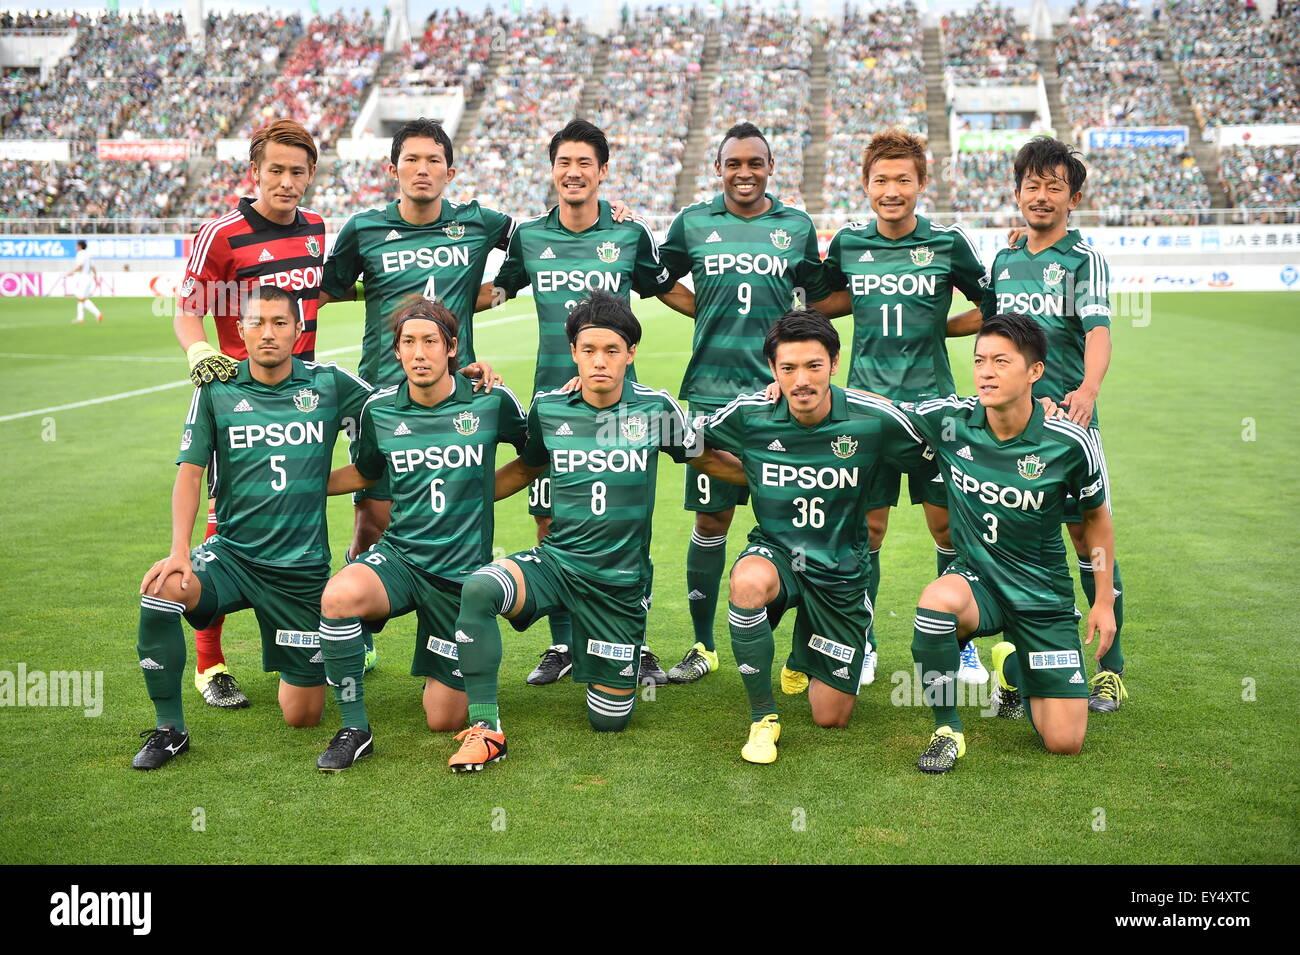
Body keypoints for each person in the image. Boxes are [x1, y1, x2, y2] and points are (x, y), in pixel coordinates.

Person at [445, 290, 742, 772]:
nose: (599, 361)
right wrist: (461, 499)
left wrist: (773, 482)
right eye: (588, 350)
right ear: (574, 353)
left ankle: (599, 646)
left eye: (611, 350)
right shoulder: (549, 408)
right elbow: (525, 469)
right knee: (480, 587)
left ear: (630, 354)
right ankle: (486, 729)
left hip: (618, 585)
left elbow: (708, 459)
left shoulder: (656, 409)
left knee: (608, 721)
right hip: (558, 564)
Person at [480, 118, 693, 688]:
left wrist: (727, 315)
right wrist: (435, 296)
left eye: (584, 164)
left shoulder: (630, 234)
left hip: (619, 406)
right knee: (550, 522)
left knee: (629, 527)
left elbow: (663, 287)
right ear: (552, 171)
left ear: (603, 171)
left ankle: (635, 640)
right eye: (563, 163)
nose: (573, 173)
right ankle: (563, 644)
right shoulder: (529, 236)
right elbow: (503, 289)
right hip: (551, 405)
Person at [131, 286, 372, 770]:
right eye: (257, 322)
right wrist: (180, 550)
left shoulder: (329, 383)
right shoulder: (216, 389)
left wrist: (468, 382)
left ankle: (316, 660)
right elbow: (190, 471)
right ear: (239, 331)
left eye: (280, 323)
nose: (268, 333)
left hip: (300, 572)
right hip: (232, 557)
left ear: (299, 331)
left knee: (302, 715)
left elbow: (394, 415)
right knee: (162, 588)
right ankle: (169, 729)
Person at [697, 309, 936, 764]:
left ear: (835, 363)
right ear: (772, 370)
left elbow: (941, 451)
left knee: (832, 717)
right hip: (777, 552)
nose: (800, 380)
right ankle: (763, 718)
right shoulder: (752, 413)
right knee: (747, 583)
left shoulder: (874, 417)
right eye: (788, 368)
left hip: (841, 572)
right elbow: (687, 441)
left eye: (813, 366)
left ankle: (804, 648)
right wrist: (750, 474)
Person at [313, 297, 528, 772]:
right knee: (339, 596)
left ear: (452, 348)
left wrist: (481, 492)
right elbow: (366, 472)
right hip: (401, 560)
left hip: (460, 579)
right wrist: (307, 485)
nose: (419, 352)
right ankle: (354, 726)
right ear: (396, 352)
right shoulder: (380, 410)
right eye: (408, 342)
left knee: (442, 718)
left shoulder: (491, 400)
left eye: (430, 341)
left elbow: (537, 455)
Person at [895, 313, 1115, 773]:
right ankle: (947, 730)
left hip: (1043, 595)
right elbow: (883, 410)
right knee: (936, 602)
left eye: (1000, 361)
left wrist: (1103, 602)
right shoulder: (950, 420)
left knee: (1064, 741)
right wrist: (807, 390)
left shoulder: (1069, 441)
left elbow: (1095, 520)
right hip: (978, 583)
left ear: (1034, 371)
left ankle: (1014, 669)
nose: (986, 372)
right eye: (979, 361)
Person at [657, 121, 834, 684]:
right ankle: (703, 645)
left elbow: (817, 298)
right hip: (710, 396)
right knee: (712, 522)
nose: (744, 173)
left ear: (770, 168)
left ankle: (806, 651)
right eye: (733, 163)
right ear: (719, 169)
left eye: (754, 163)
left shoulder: (796, 227)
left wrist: (795, 361)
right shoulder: (693, 223)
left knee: (800, 524)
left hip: (782, 399)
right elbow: (658, 278)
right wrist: (704, 309)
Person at [817, 127, 988, 687]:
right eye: (881, 179)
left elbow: (995, 303)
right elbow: (817, 300)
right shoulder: (847, 244)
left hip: (937, 410)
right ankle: (863, 640)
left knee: (949, 529)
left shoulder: (948, 243)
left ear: (922, 184)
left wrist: (942, 325)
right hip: (866, 410)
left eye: (903, 180)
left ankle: (959, 643)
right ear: (865, 184)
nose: (892, 190)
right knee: (867, 530)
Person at [174, 119, 327, 709]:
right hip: (237, 400)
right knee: (228, 521)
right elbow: (188, 309)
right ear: (255, 172)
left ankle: (317, 634)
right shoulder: (224, 234)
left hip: (304, 399)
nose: (287, 182)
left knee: (299, 513)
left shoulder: (315, 228)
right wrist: (200, 351)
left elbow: (317, 290)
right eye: (277, 171)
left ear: (311, 175)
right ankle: (209, 665)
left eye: (298, 172)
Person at [975, 136, 1128, 714]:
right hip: (1013, 428)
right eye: (1032, 186)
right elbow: (994, 333)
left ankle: (1109, 672)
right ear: (1017, 193)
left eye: (1054, 187)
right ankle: (1020, 669)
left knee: (1090, 543)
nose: (1042, 196)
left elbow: (1098, 332)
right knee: (1022, 550)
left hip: (1067, 424)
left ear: (1074, 197)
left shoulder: (1082, 260)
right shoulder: (1006, 258)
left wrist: (1088, 389)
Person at [319, 118, 508, 565]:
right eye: (411, 160)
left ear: (451, 173)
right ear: (392, 170)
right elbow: (324, 291)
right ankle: (358, 626)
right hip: (382, 395)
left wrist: (495, 292)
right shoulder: (363, 229)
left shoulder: (479, 223)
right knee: (373, 521)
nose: (422, 168)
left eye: (434, 160)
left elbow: (542, 238)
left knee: (456, 521)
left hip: (458, 397)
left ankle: (450, 621)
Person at [67, 240, 102, 324]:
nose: (75, 247)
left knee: (81, 298)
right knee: (82, 299)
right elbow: (93, 268)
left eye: (76, 246)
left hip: (82, 278)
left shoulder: (80, 254)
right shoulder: (88, 254)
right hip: (88, 278)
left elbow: (80, 266)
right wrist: (96, 279)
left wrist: (71, 272)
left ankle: (90, 316)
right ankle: (84, 317)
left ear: (80, 246)